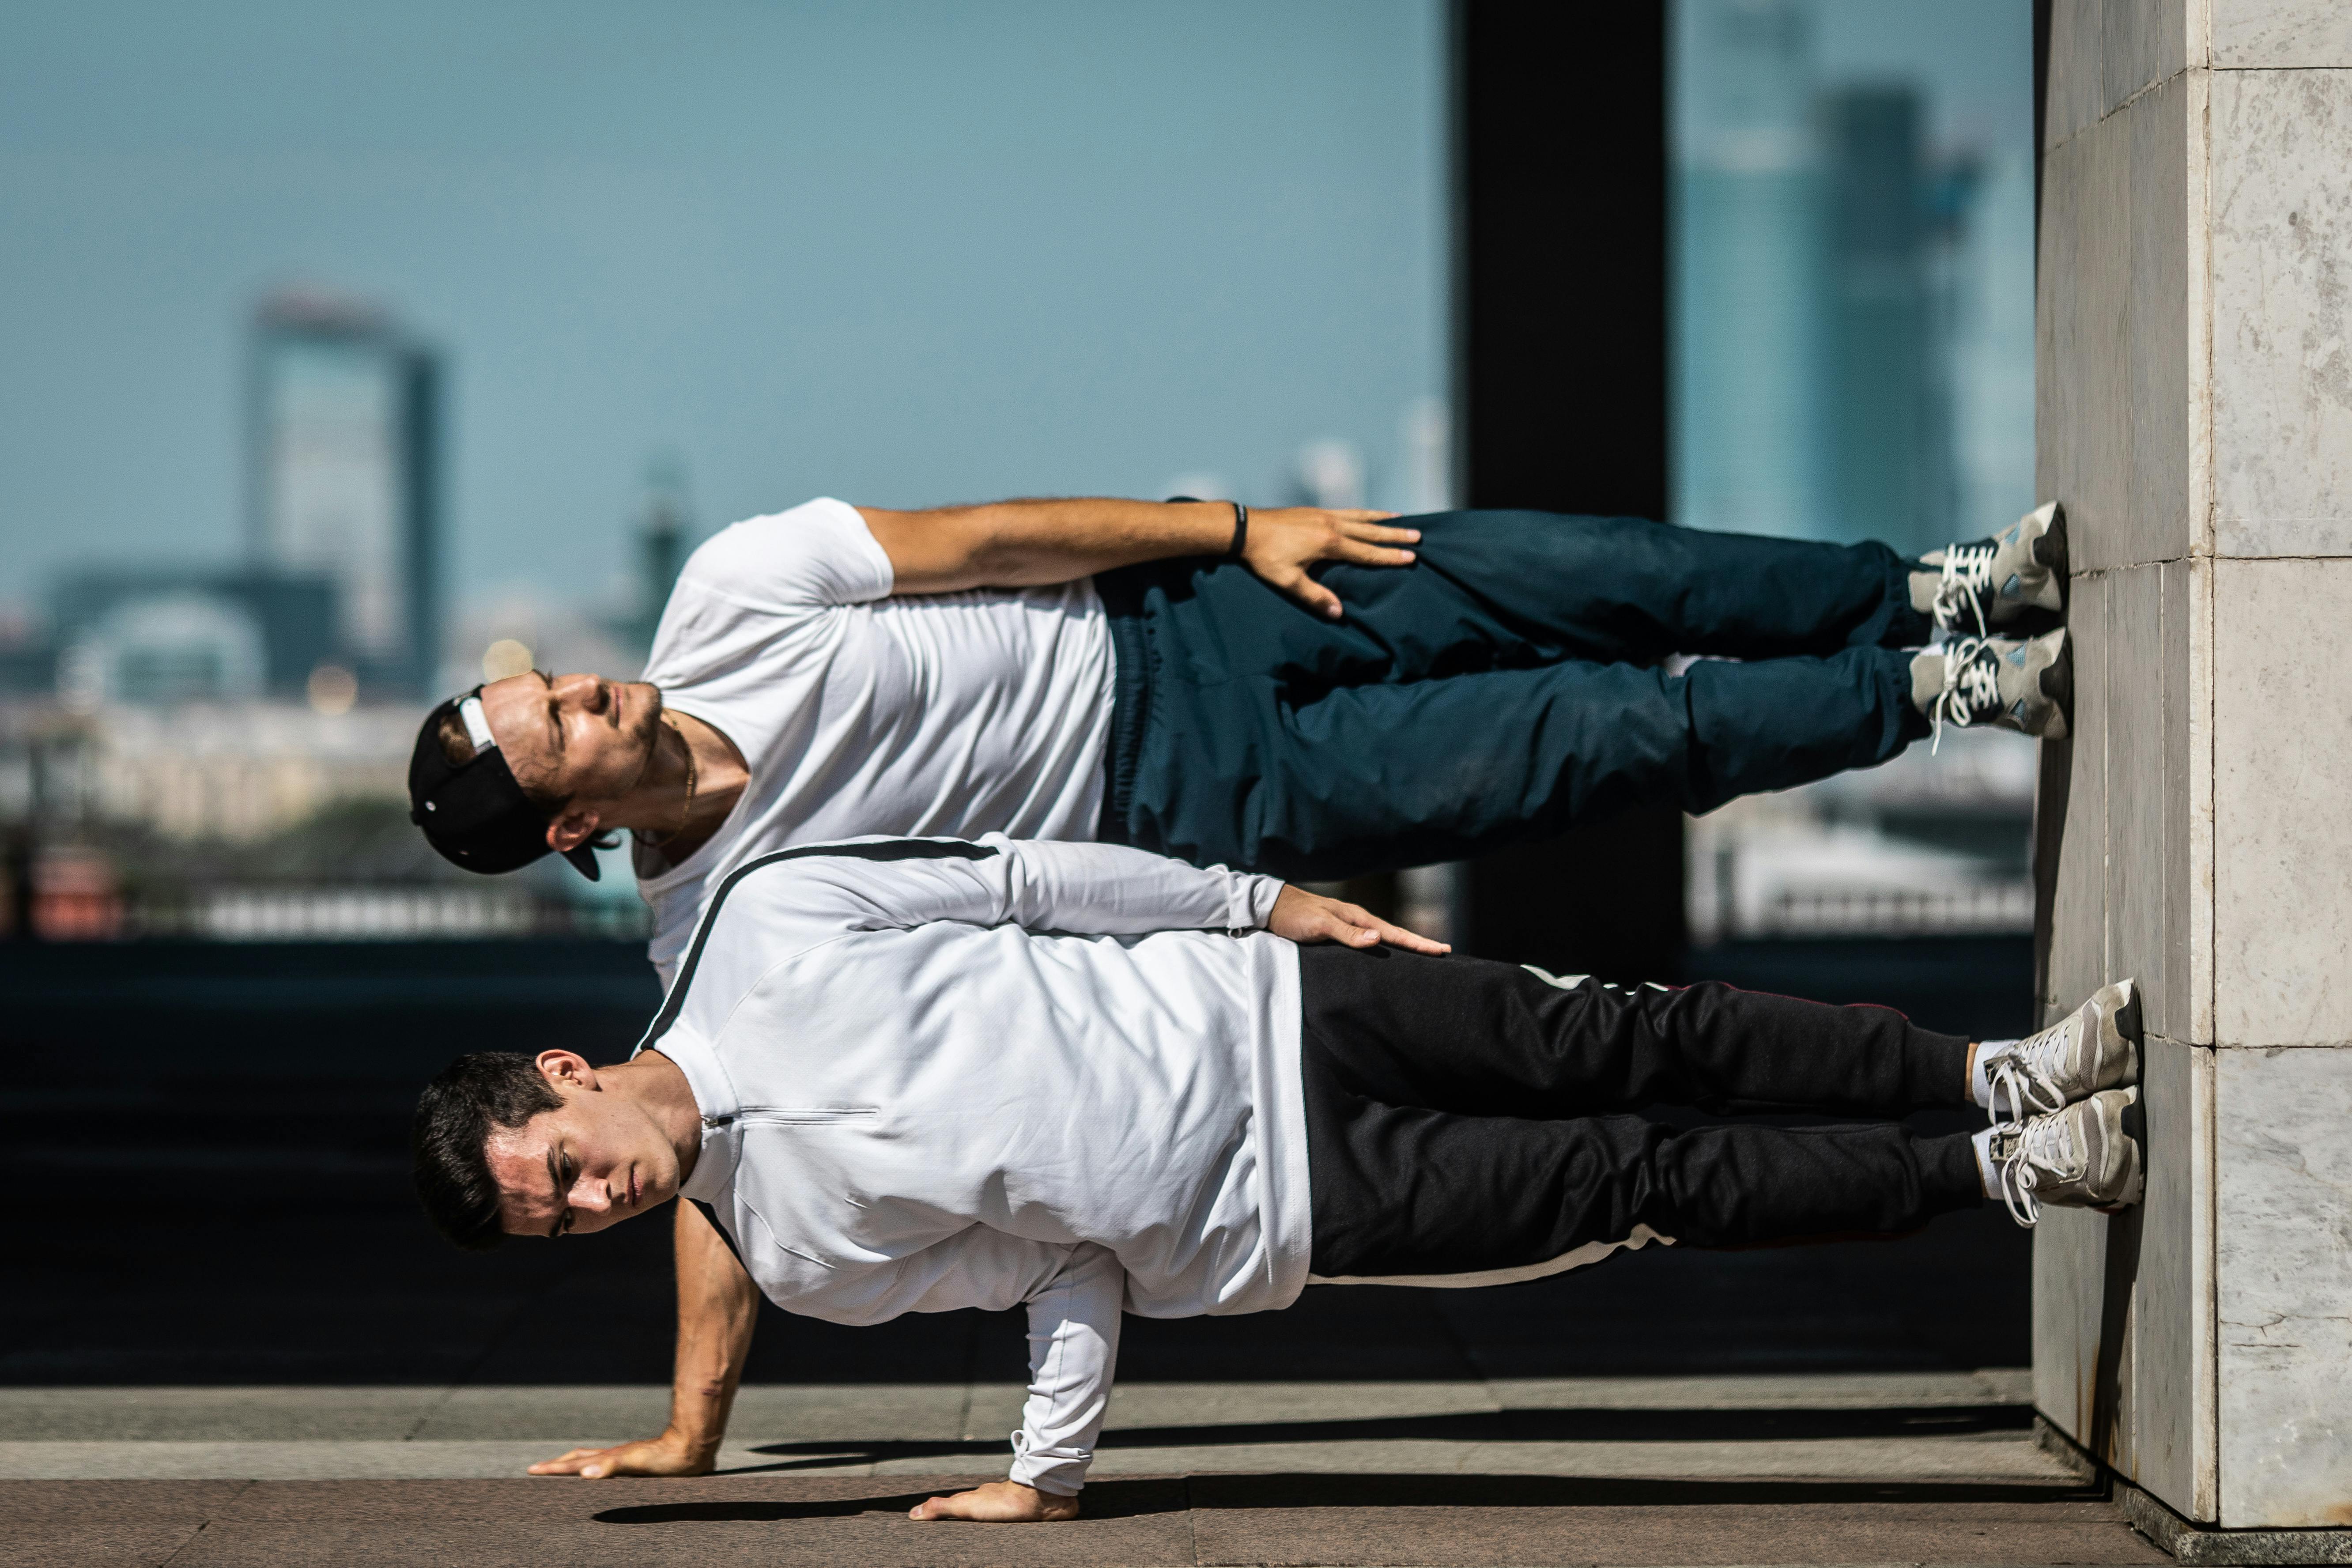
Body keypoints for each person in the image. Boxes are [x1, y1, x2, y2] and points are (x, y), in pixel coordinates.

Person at [404, 493, 2074, 1478]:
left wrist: (1235, 529)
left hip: (1191, 623)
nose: (585, 690)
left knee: (1588, 572)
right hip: (1216, 801)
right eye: (557, 725)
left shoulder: (732, 594)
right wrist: (694, 1428)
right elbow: (708, 1160)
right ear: (571, 827)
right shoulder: (710, 925)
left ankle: (1923, 588)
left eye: (555, 685)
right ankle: (1945, 689)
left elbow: (987, 539)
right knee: (1607, 735)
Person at [412, 832, 2144, 1521]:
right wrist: (1043, 1472)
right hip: (1298, 1206)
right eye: (560, 1220)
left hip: (1282, 1003)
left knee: (1639, 1031)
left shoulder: (767, 920)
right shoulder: (798, 1261)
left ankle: (1990, 1070)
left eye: (562, 1168)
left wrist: (1260, 903)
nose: (595, 1202)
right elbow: (1062, 1268)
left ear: (565, 1073)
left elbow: (1031, 882)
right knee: (1651, 1179)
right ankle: (2016, 1170)